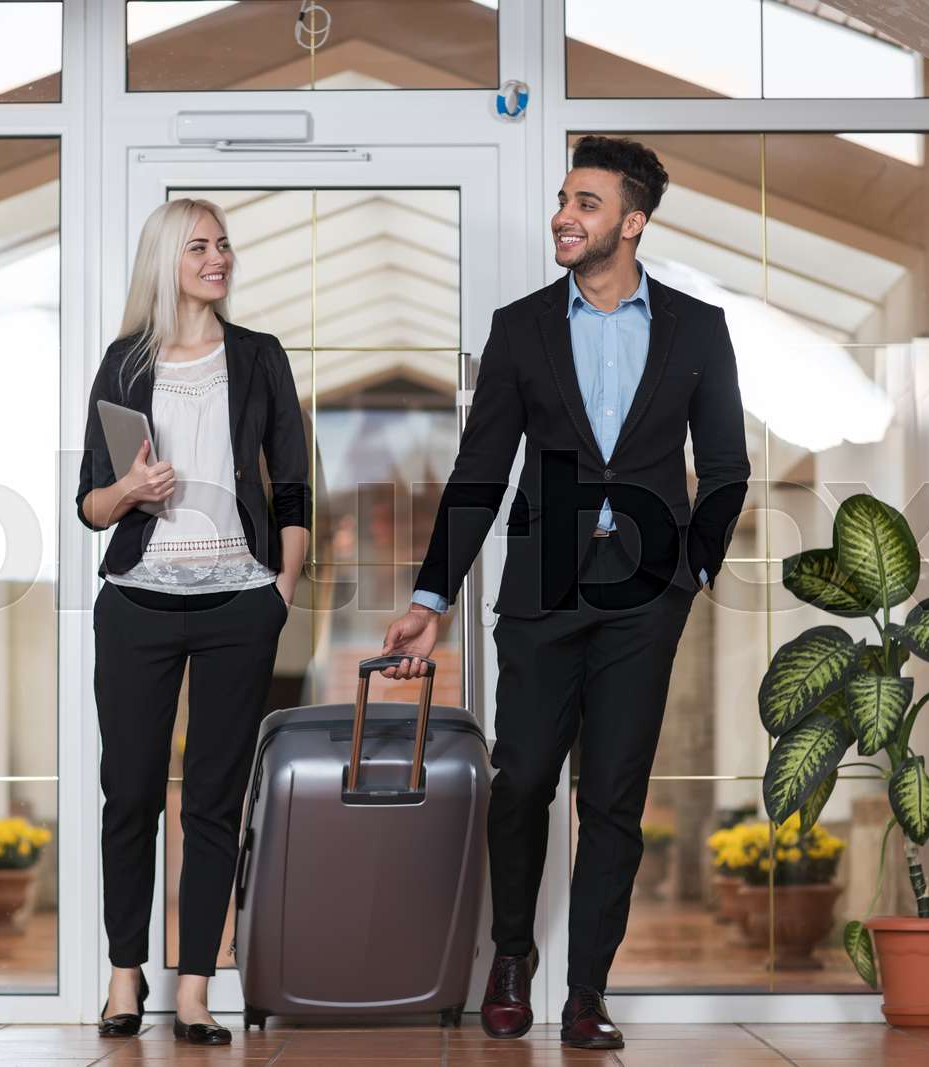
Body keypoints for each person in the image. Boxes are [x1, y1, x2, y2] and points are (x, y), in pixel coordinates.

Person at [381, 136, 749, 1051]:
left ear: (633, 222)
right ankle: (513, 959)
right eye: (561, 199)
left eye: (586, 203)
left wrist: (690, 574)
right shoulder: (522, 328)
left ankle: (587, 990)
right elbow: (478, 471)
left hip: (645, 596)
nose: (564, 215)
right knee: (526, 778)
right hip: (541, 591)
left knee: (614, 795)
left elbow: (729, 468)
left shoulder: (699, 329)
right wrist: (432, 598)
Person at [76, 198, 310, 1046]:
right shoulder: (124, 364)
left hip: (239, 606)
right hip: (138, 601)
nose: (220, 258)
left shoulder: (258, 358)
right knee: (130, 792)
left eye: (224, 245)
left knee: (213, 801)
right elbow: (90, 507)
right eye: (201, 247)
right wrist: (132, 491)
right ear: (168, 259)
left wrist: (280, 585)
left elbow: (291, 480)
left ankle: (196, 990)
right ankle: (124, 974)